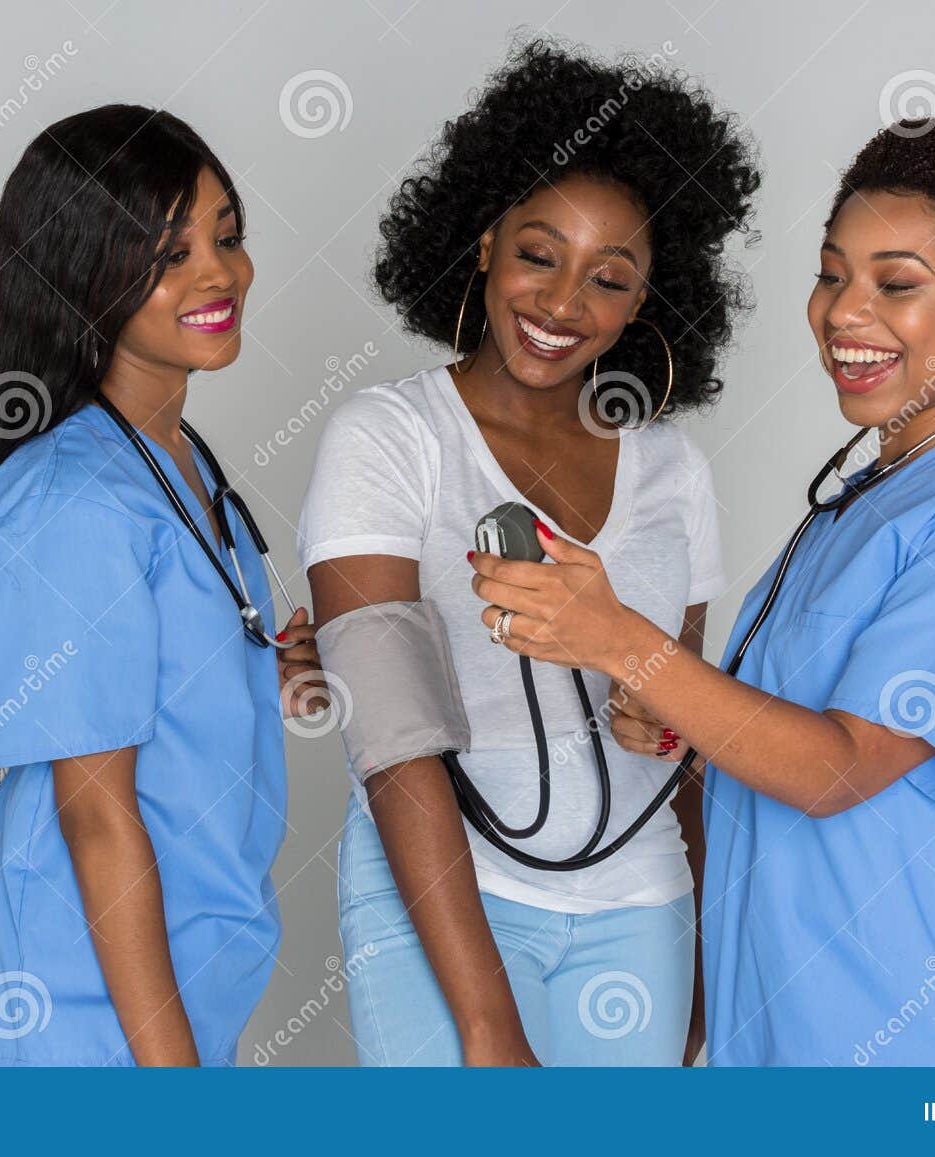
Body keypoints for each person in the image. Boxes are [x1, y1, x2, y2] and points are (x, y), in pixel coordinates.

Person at [468, 117, 935, 1066]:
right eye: (830, 273)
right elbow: (793, 736)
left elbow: (838, 770)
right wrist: (683, 732)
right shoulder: (863, 498)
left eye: (895, 283)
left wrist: (618, 640)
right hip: (775, 1032)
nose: (844, 311)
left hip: (926, 1037)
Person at [298, 39, 759, 1066]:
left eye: (609, 277)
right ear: (482, 242)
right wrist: (483, 1015)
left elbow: (679, 724)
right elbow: (392, 738)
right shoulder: (386, 438)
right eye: (537, 253)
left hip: (644, 904)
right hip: (450, 901)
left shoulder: (672, 471)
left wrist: (703, 955)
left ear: (648, 300)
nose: (561, 305)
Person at [0, 104, 319, 1066]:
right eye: (165, 253)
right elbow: (95, 816)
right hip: (79, 1005)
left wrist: (253, 670)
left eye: (225, 236)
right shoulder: (76, 498)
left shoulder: (174, 459)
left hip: (180, 977)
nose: (217, 273)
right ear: (80, 269)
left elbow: (155, 683)